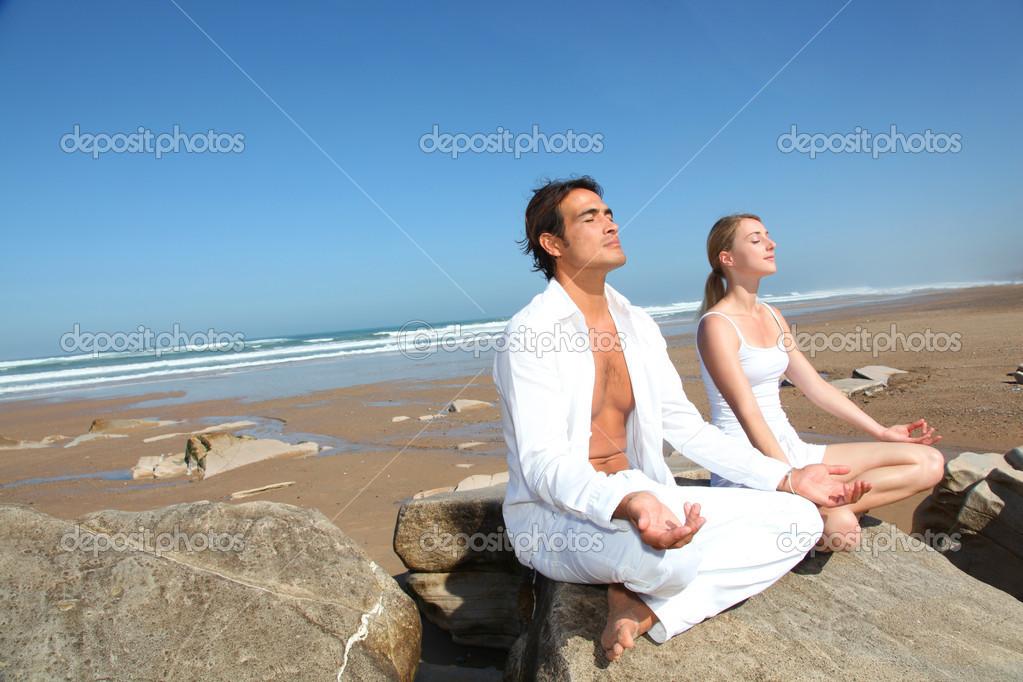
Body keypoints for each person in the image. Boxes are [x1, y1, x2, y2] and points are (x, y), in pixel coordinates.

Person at [493, 178, 867, 661]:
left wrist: (788, 478)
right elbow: (543, 465)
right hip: (558, 519)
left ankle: (646, 606)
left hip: (650, 493)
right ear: (553, 243)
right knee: (670, 557)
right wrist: (630, 502)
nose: (610, 223)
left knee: (798, 518)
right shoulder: (530, 334)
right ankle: (645, 578)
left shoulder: (638, 325)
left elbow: (687, 428)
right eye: (590, 217)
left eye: (609, 213)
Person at [695, 213, 944, 552]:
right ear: (728, 258)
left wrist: (881, 431)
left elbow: (816, 387)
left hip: (794, 449)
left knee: (928, 463)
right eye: (756, 239)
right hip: (752, 463)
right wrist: (788, 480)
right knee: (844, 533)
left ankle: (831, 502)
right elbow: (747, 411)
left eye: (768, 235)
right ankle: (824, 508)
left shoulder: (770, 314)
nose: (771, 243)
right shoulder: (716, 325)